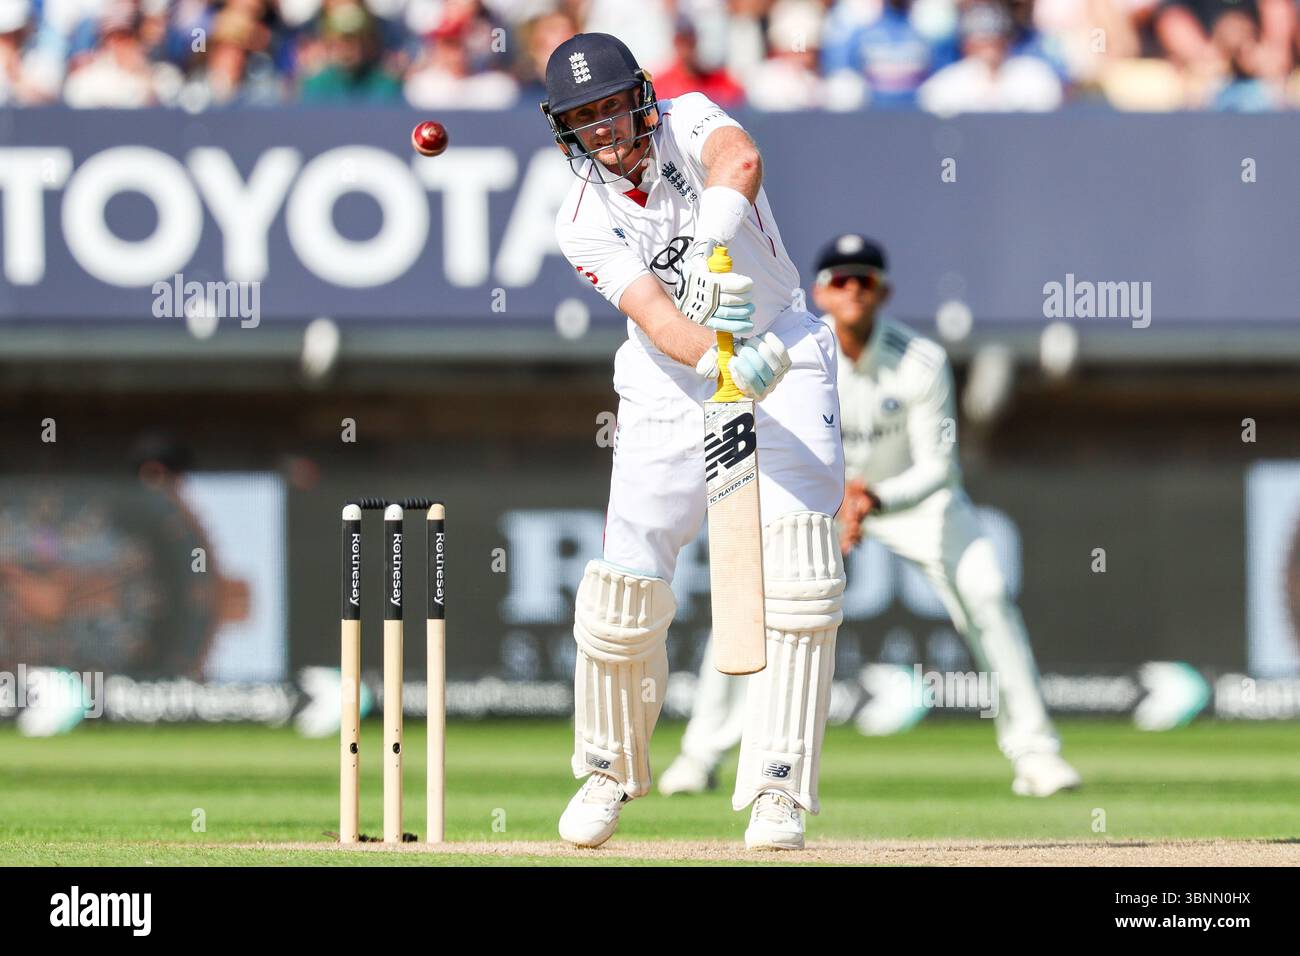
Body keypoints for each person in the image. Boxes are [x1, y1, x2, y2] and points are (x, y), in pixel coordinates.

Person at [542, 32, 846, 851]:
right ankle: (606, 769)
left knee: (803, 575)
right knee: (623, 587)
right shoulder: (580, 219)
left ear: (641, 96)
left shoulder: (688, 118)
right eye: (585, 118)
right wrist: (719, 357)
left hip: (784, 347)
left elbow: (740, 159)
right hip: (670, 381)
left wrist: (713, 246)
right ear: (564, 128)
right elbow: (657, 319)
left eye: (613, 106)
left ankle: (778, 788)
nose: (605, 128)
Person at [659, 234, 1083, 800]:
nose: (853, 289)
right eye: (840, 279)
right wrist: (836, 499)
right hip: (818, 498)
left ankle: (1036, 755)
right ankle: (699, 755)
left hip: (911, 503)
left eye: (864, 280)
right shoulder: (795, 351)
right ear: (819, 292)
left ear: (884, 292)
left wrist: (870, 498)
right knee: (749, 603)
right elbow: (776, 444)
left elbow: (939, 470)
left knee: (987, 591)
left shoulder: (921, 361)